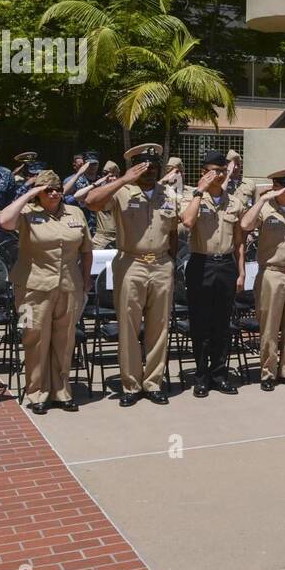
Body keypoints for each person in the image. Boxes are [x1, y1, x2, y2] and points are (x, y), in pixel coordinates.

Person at [84, 144, 180, 407]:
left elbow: (172, 232)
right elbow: (91, 202)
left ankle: (153, 383)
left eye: (154, 168)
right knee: (128, 326)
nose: (150, 172)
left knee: (159, 327)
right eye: (144, 167)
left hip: (161, 264)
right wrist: (124, 180)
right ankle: (131, 385)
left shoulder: (167, 193)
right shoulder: (122, 192)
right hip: (131, 263)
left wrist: (170, 260)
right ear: (134, 168)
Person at [0, 170, 93, 414]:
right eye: (47, 190)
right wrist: (29, 193)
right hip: (32, 288)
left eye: (57, 189)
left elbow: (86, 251)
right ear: (38, 193)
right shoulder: (27, 213)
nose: (53, 193)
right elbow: (4, 222)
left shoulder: (75, 212)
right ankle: (37, 392)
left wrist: (84, 281)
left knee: (65, 340)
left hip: (69, 286)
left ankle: (61, 391)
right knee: (35, 338)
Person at [240, 168, 285, 391]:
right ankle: (268, 372)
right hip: (272, 273)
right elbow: (245, 225)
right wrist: (263, 200)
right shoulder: (266, 210)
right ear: (275, 188)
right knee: (270, 326)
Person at [179, 151, 245, 398]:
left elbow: (239, 241)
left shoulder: (235, 202)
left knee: (222, 324)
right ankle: (201, 377)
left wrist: (241, 272)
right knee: (201, 324)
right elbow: (186, 222)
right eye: (212, 171)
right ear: (203, 172)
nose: (217, 175)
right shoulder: (191, 197)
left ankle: (219, 375)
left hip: (226, 265)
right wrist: (199, 191)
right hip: (201, 264)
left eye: (221, 170)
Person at [76, 161, 119, 249]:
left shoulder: (124, 191)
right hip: (101, 239)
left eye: (115, 176)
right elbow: (77, 196)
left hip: (121, 237)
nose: (112, 179)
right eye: (109, 176)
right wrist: (96, 184)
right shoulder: (98, 193)